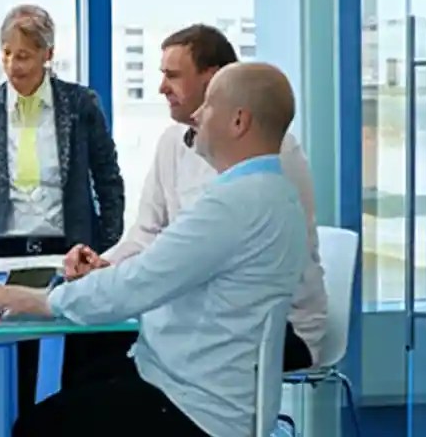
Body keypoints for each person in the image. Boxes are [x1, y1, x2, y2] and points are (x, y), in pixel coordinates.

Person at [0, 62, 309, 437]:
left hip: (193, 405)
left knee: (36, 426)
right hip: (212, 391)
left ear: (239, 121)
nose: (197, 113)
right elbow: (164, 273)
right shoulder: (277, 195)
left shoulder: (234, 204)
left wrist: (42, 300)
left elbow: (143, 280)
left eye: (210, 104)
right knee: (87, 375)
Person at [61, 24, 327, 386]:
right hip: (203, 309)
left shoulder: (267, 155)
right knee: (89, 349)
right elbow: (148, 233)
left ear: (215, 79)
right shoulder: (173, 141)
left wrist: (119, 285)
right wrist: (106, 266)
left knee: (105, 349)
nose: (161, 88)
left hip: (270, 326)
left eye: (173, 76)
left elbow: (199, 259)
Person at [0, 3, 125, 414]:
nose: (13, 64)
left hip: (69, 251)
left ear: (48, 54)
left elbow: (108, 180)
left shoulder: (80, 106)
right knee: (14, 366)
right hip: (4, 254)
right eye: (6, 53)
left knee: (82, 363)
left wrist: (109, 250)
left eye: (23, 55)